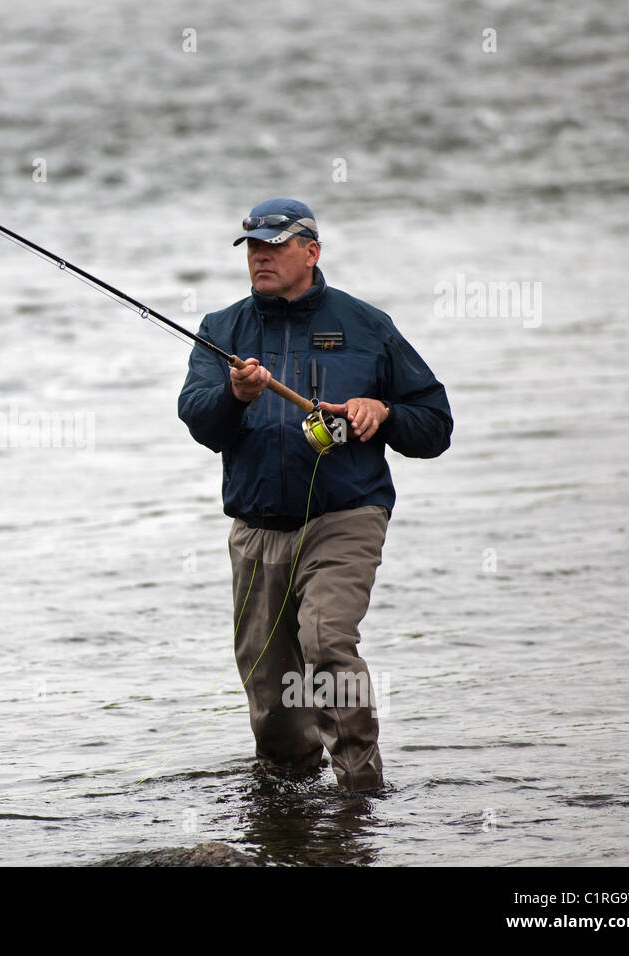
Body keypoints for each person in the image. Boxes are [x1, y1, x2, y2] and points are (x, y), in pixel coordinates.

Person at [177, 197, 452, 794]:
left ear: (312, 252)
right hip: (256, 529)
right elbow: (198, 419)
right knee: (271, 693)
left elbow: (436, 426)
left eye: (274, 246)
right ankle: (287, 805)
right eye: (253, 247)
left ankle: (360, 788)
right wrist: (235, 395)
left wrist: (384, 412)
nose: (261, 257)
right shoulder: (222, 329)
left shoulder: (367, 326)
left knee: (326, 642)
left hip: (345, 515)